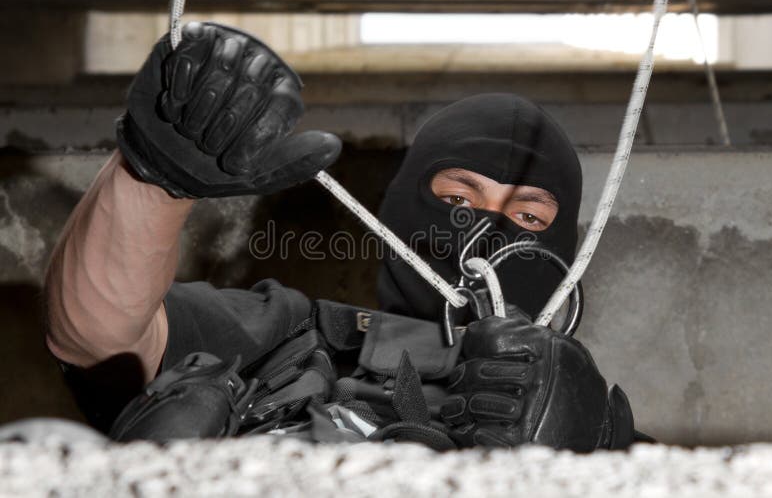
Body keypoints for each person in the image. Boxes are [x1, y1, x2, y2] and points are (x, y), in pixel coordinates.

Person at [45, 22, 638, 450]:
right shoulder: (290, 335)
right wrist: (152, 180)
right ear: (403, 212)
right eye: (459, 200)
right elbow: (99, 335)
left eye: (529, 218)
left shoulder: (603, 431)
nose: (486, 237)